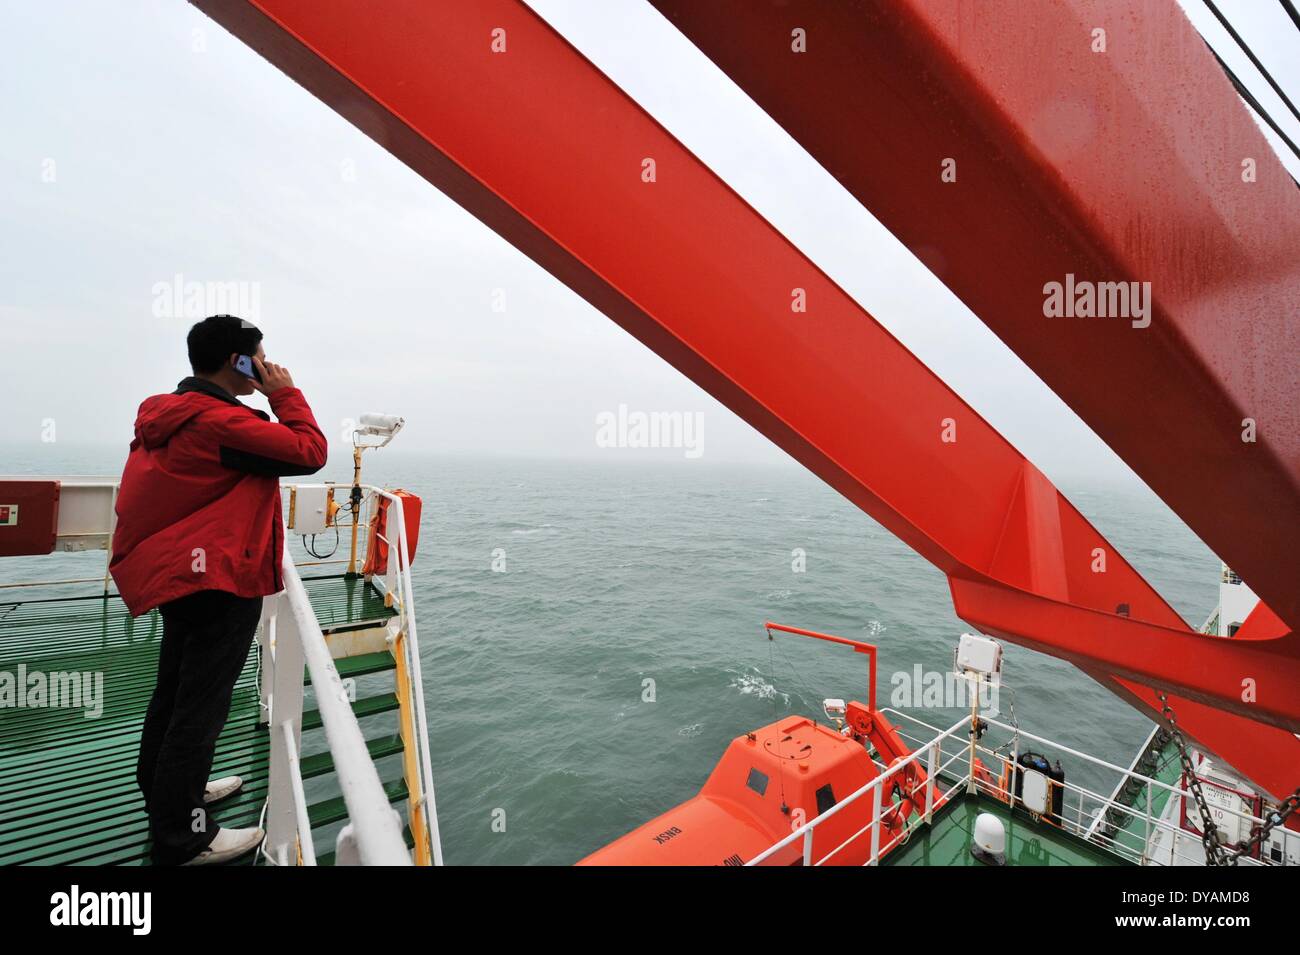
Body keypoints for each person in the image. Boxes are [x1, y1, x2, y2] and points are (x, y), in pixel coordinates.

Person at [110, 314, 328, 865]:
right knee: (199, 709)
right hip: (219, 582)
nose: (266, 363)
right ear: (239, 360)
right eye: (260, 356)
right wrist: (286, 393)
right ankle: (184, 837)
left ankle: (171, 796)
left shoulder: (173, 413)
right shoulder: (219, 425)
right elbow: (309, 451)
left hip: (182, 577)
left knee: (174, 693)